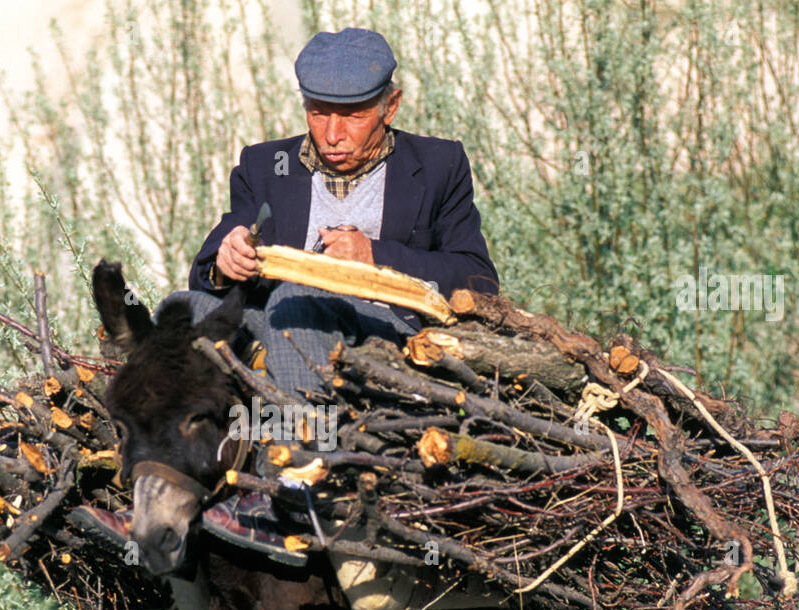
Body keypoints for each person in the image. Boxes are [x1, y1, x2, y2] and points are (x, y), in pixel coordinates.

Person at [79, 28, 499, 562]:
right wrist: (225, 259)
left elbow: (479, 281)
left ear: (391, 105)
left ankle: (295, 485)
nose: (333, 134)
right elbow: (207, 267)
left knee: (294, 300)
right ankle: (169, 477)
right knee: (179, 312)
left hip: (384, 334)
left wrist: (375, 255)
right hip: (271, 322)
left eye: (352, 116)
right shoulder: (264, 165)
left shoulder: (438, 166)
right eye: (319, 113)